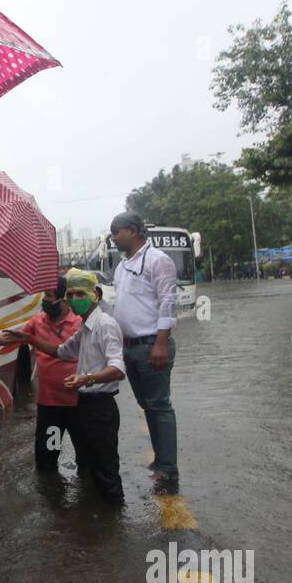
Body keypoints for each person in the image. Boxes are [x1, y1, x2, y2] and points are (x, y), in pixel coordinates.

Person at [8, 268, 126, 505]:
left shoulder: (105, 325)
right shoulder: (85, 328)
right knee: (87, 462)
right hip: (82, 404)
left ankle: (112, 516)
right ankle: (98, 518)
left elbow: (118, 369)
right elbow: (61, 351)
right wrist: (30, 339)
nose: (74, 300)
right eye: (70, 295)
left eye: (80, 295)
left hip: (100, 407)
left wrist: (86, 378)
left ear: (97, 294)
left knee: (104, 465)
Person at [0, 276, 81, 472]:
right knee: (48, 458)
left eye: (49, 296)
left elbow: (68, 351)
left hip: (78, 406)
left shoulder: (79, 324)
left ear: (64, 299)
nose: (44, 301)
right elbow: (8, 338)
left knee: (85, 457)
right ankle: (51, 496)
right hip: (50, 407)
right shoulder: (37, 321)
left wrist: (32, 339)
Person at [109, 212, 179, 494]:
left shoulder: (158, 260)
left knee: (160, 406)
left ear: (133, 231)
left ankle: (168, 469)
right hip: (130, 347)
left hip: (152, 344)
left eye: (116, 232)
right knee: (147, 405)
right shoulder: (122, 267)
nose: (113, 238)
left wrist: (162, 342)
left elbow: (168, 302)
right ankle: (161, 460)